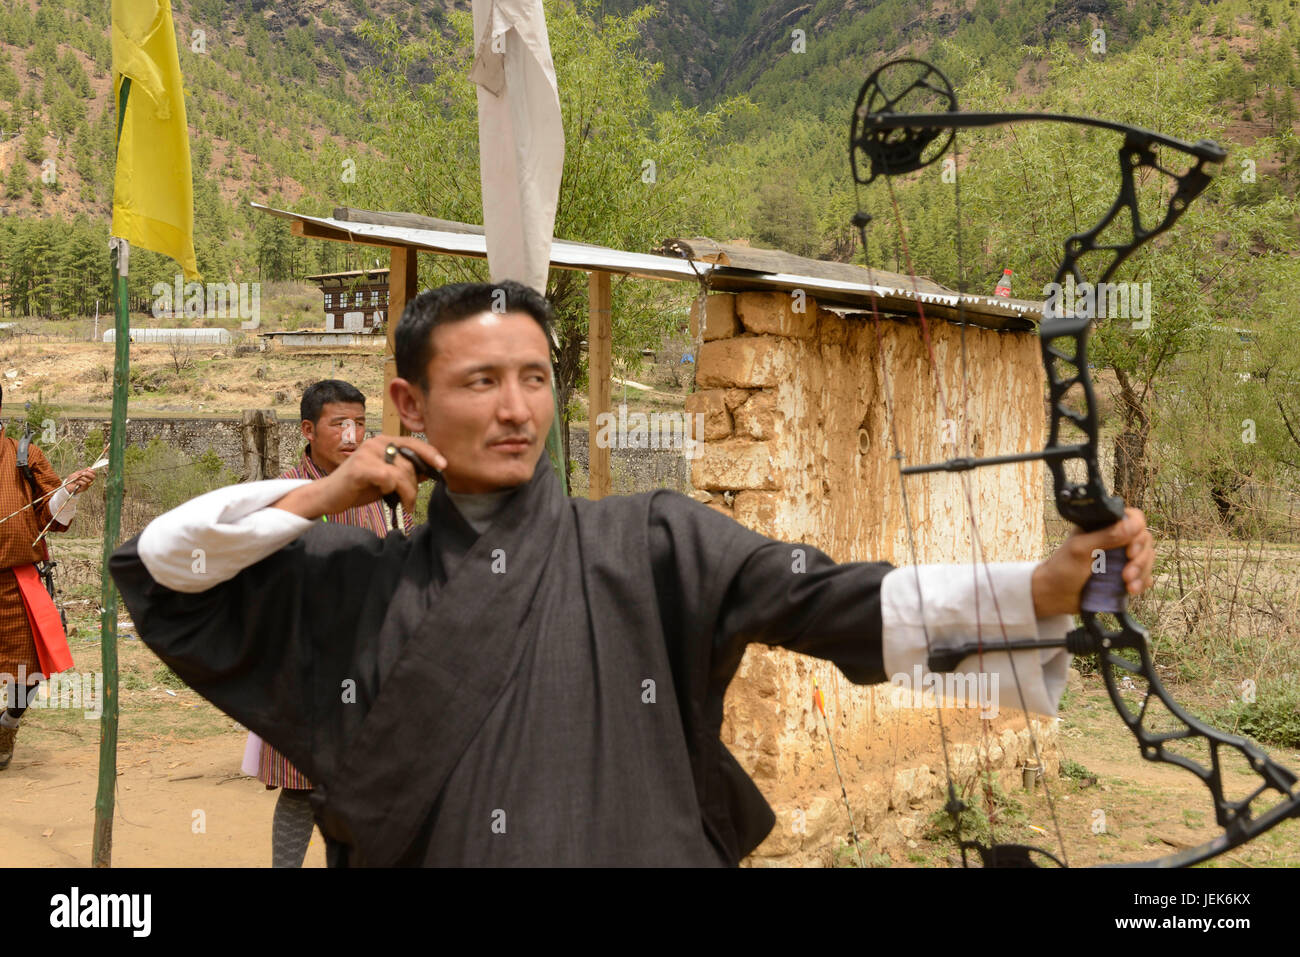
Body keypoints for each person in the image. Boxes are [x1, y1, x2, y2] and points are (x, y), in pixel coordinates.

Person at [110, 281, 1155, 866]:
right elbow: (167, 562)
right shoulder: (350, 574)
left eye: (534, 378)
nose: (517, 409)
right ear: (410, 404)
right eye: (480, 381)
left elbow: (830, 596)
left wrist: (1040, 588)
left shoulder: (650, 542)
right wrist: (324, 492)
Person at [241, 379, 413, 867]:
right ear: (308, 430)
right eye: (339, 424)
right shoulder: (287, 493)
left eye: (360, 424)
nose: (352, 435)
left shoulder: (379, 489)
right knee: (301, 789)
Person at [0, 388, 97, 770]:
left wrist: (69, 490)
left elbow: (54, 514)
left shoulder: (25, 456)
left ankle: (7, 724)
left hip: (17, 578)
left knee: (29, 668)